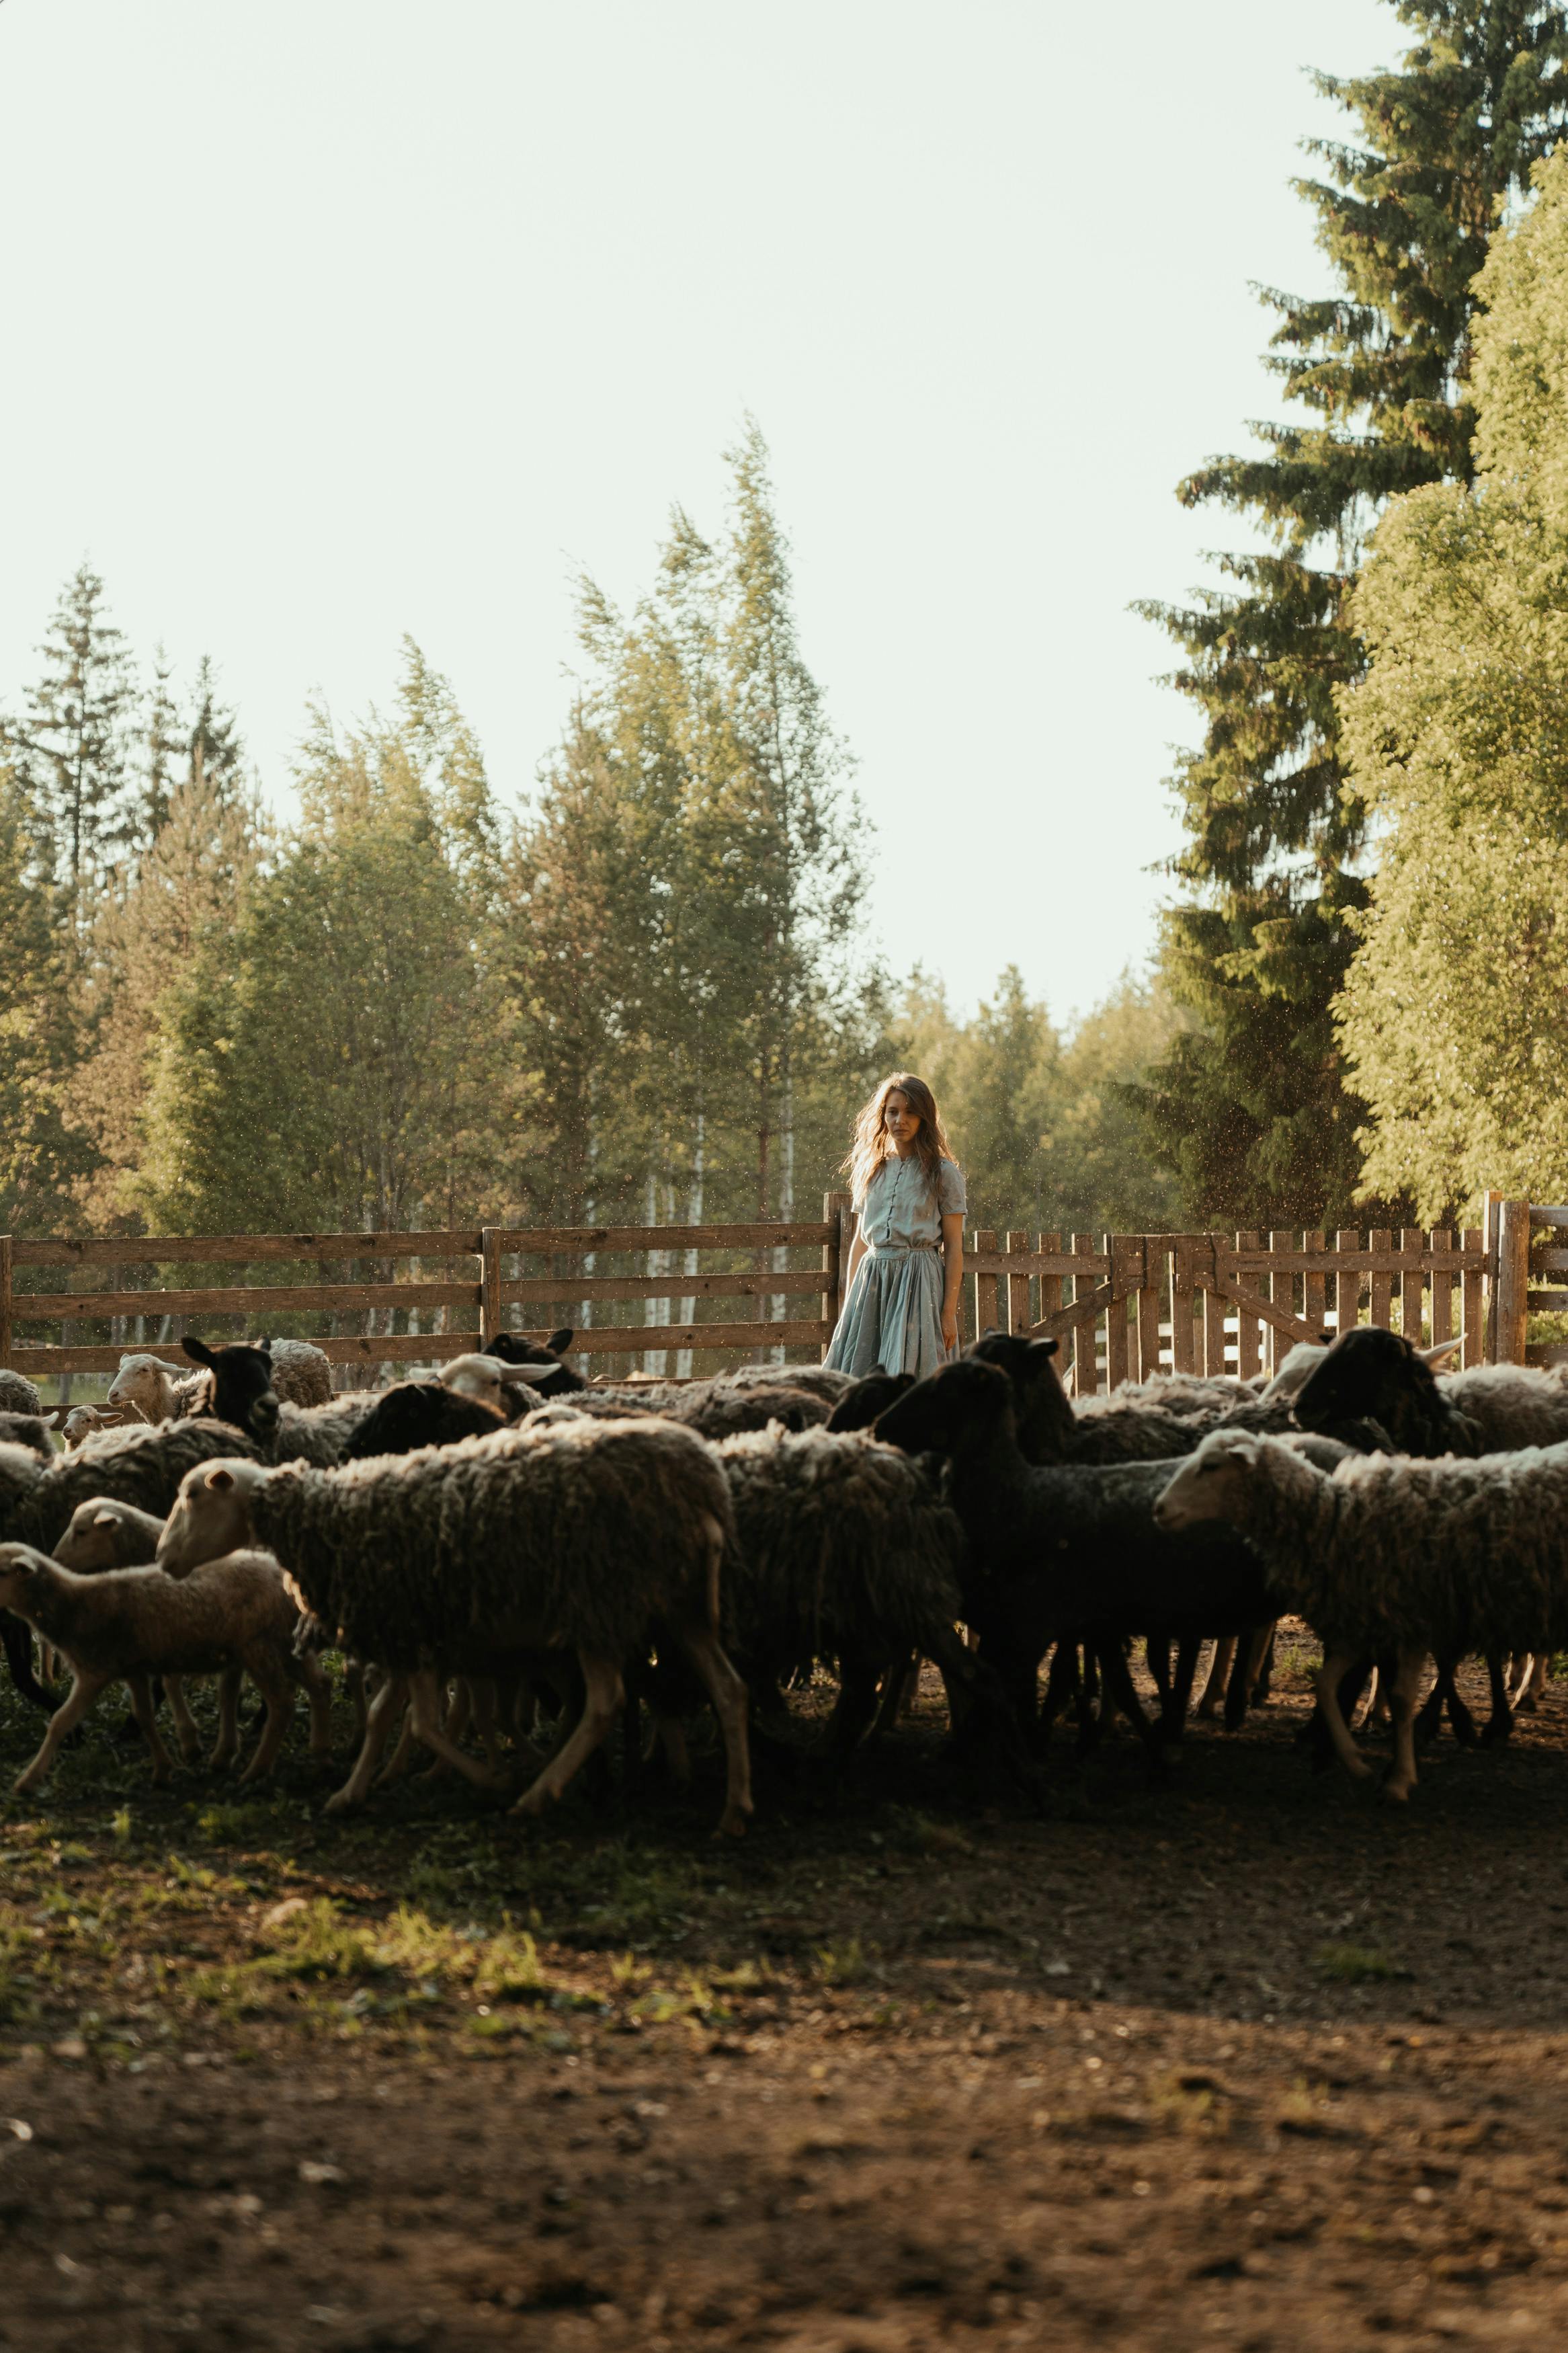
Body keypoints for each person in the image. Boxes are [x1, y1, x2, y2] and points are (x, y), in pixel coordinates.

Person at [824, 1073, 966, 1380]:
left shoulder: (944, 1173)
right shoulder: (872, 1169)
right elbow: (861, 1242)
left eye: (910, 1112)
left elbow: (954, 1248)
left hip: (919, 1283)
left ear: (924, 1117)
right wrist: (851, 1303)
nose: (901, 1120)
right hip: (872, 1282)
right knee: (859, 1376)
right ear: (883, 1116)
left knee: (912, 1377)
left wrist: (948, 1313)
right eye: (893, 1111)